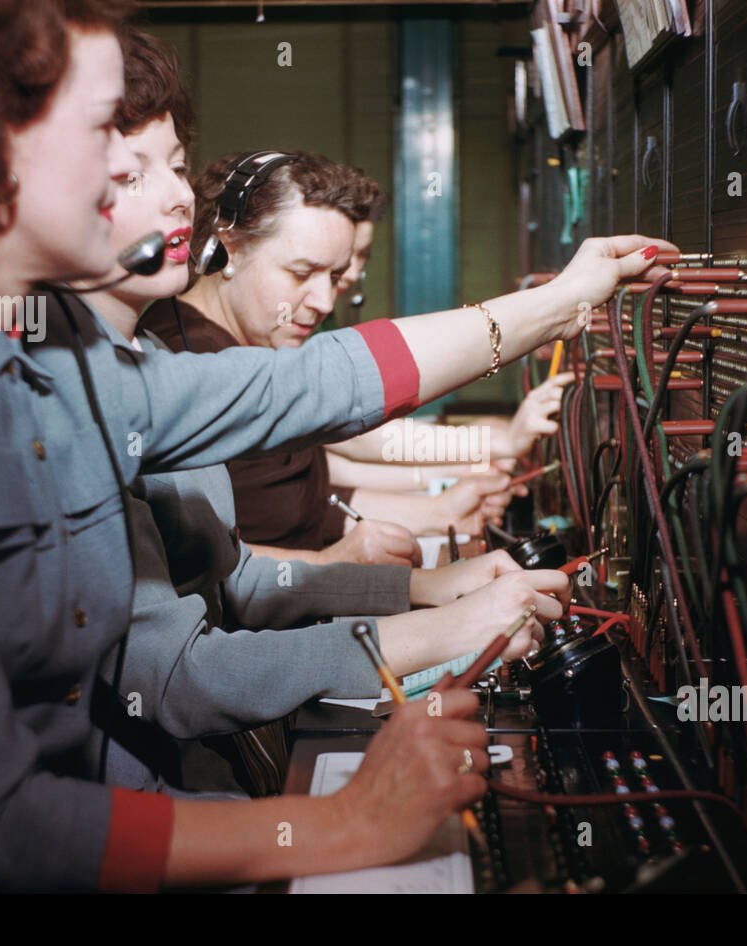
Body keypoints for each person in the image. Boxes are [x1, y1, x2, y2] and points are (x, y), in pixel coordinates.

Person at [0, 0, 672, 891]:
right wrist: (333, 827)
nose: (146, 181)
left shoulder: (50, 346)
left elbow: (308, 387)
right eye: (105, 134)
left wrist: (564, 300)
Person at [78, 28, 568, 797]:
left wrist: (422, 591)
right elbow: (180, 675)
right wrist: (554, 306)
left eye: (175, 167)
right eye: (132, 172)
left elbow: (238, 579)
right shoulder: (123, 378)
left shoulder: (143, 359)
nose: (178, 196)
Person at [144, 153, 572, 564]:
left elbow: (307, 482)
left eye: (335, 276)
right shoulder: (192, 357)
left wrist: (442, 503)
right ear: (229, 249)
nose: (325, 301)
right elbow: (216, 569)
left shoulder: (251, 339)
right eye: (300, 273)